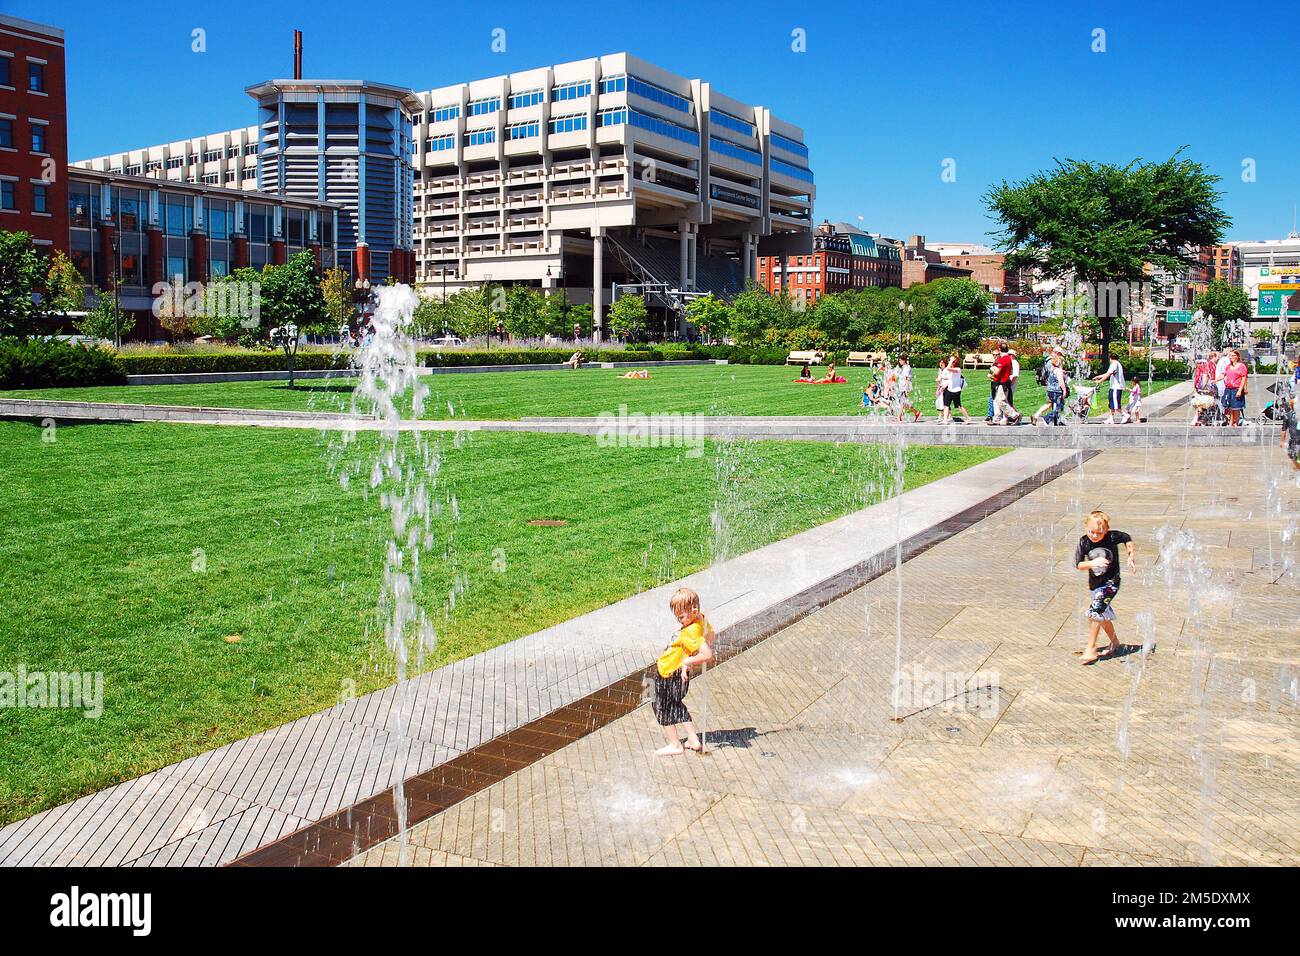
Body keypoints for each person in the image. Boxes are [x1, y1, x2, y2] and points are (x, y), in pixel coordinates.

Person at [652, 588, 716, 755]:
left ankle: (675, 745)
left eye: (681, 617)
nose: (679, 621)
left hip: (668, 673)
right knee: (676, 704)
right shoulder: (701, 619)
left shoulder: (689, 632)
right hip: (677, 673)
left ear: (693, 610)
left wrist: (688, 660)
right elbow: (710, 636)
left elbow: (708, 654)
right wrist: (691, 655)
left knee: (661, 707)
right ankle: (693, 739)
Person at [1074, 511, 1136, 665]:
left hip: (1111, 583)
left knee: (1094, 612)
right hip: (1095, 585)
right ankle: (1114, 642)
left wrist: (1131, 554)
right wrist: (1092, 563)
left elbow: (1127, 537)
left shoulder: (1112, 537)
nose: (1095, 535)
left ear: (1106, 530)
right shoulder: (1084, 542)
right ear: (1086, 528)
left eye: (1099, 532)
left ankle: (1091, 648)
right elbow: (1079, 565)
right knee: (1101, 615)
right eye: (1091, 532)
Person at [1031, 348, 1068, 426]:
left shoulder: (1049, 360)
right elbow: (1057, 375)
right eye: (1061, 355)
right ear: (1058, 353)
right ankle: (1047, 418)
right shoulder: (1051, 361)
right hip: (1054, 388)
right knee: (1057, 405)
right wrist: (1064, 389)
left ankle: (1040, 416)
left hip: (1050, 387)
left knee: (1051, 404)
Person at [988, 341, 1021, 425]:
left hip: (1003, 384)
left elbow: (997, 371)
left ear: (999, 349)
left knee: (1001, 401)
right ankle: (996, 419)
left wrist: (991, 367)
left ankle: (1015, 415)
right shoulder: (1007, 358)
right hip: (1000, 382)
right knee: (996, 401)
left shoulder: (1004, 359)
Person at [1093, 353, 1127, 425]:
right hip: (1113, 387)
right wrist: (1098, 376)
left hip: (1116, 387)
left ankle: (1125, 415)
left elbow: (1108, 374)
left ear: (1110, 358)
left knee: (1116, 405)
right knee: (1111, 404)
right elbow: (1108, 373)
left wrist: (1099, 381)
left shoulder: (1114, 364)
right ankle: (1111, 418)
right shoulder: (1117, 364)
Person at [1222, 348, 1249, 426]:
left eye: (1233, 355)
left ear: (1237, 356)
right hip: (1228, 389)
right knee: (1230, 407)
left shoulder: (1241, 366)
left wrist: (1240, 390)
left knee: (1236, 408)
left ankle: (1236, 423)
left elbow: (1244, 378)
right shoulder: (1228, 366)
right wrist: (1215, 380)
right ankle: (1231, 422)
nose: (1231, 357)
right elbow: (1224, 375)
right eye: (1230, 356)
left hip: (1236, 388)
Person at [940, 355, 969, 424]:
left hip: (956, 391)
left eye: (951, 361)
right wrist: (944, 387)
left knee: (958, 406)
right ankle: (945, 420)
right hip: (949, 389)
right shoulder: (950, 370)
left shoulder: (958, 370)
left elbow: (948, 369)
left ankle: (968, 418)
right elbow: (950, 379)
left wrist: (951, 361)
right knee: (946, 405)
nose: (949, 362)